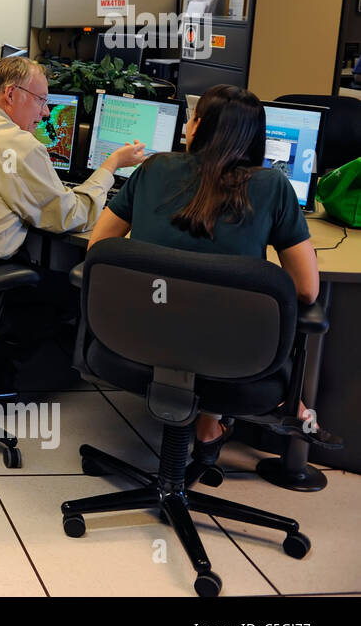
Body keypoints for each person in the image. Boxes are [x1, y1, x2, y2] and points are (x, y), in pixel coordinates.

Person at [87, 84, 340, 462]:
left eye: (190, 118)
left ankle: (207, 425)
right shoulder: (273, 186)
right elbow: (306, 291)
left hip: (136, 340)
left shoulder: (154, 168)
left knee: (192, 302)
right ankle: (213, 425)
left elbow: (98, 249)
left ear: (198, 126)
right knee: (222, 310)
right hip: (233, 359)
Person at [0, 56, 145, 260]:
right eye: (41, 100)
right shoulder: (19, 144)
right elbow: (71, 217)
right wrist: (112, 164)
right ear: (11, 94)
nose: (45, 112)